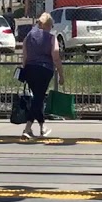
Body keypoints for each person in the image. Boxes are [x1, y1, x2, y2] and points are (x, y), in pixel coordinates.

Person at [18, 12, 64, 140]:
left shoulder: (28, 37)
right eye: (51, 25)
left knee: (38, 98)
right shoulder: (51, 38)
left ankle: (42, 127)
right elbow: (55, 56)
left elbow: (25, 56)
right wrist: (61, 74)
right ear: (48, 25)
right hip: (45, 70)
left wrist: (25, 70)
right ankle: (27, 128)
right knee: (38, 98)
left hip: (30, 69)